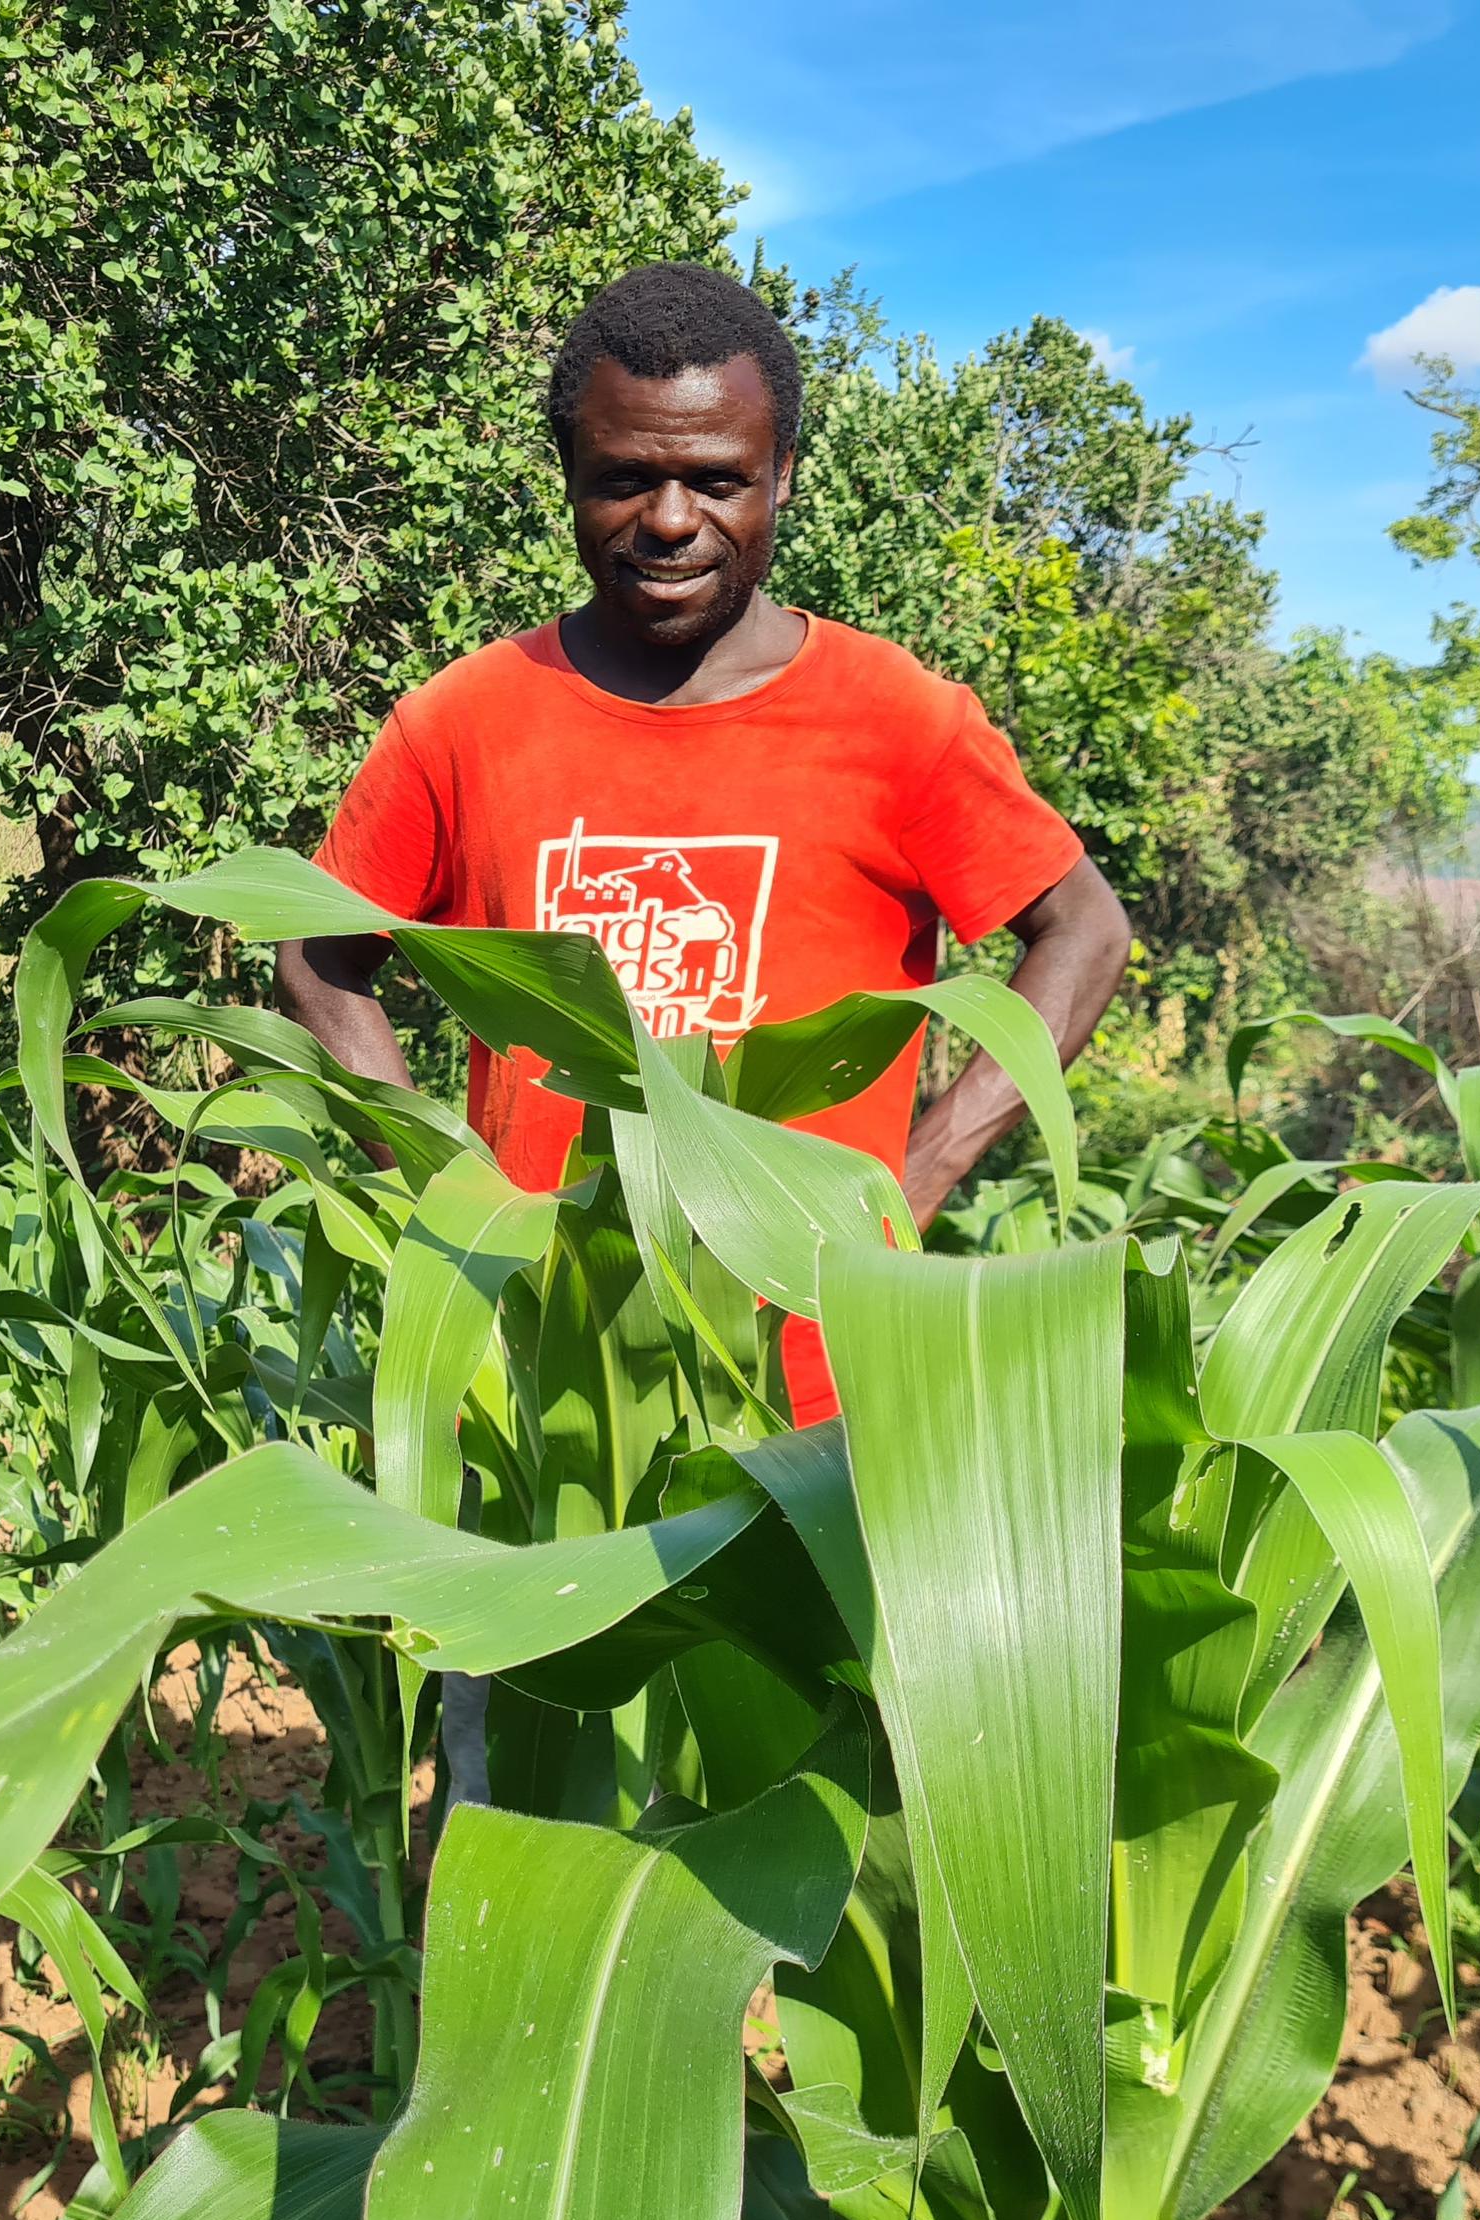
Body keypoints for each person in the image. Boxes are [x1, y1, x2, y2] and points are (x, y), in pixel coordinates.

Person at [279, 259, 1133, 1427]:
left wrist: (915, 1181)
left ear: (782, 474)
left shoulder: (899, 720)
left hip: (821, 1393)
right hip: (539, 1383)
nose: (672, 521)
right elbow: (316, 956)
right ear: (569, 474)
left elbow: (1083, 928)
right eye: (626, 479)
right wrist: (448, 1203)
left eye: (717, 479)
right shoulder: (462, 721)